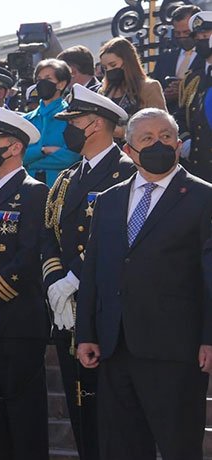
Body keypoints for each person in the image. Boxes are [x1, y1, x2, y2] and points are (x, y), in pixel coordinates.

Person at [77, 108, 212, 459]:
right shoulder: (109, 200)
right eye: (147, 139)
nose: (158, 144)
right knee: (121, 446)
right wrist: (86, 333)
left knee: (178, 446)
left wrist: (209, 338)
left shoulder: (203, 197)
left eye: (166, 137)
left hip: (176, 351)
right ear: (128, 150)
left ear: (179, 144)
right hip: (115, 345)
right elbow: (94, 270)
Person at [41, 85, 136, 460]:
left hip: (106, 307)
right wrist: (54, 283)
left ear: (95, 124)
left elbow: (121, 238)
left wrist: (74, 278)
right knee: (78, 405)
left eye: (74, 121)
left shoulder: (127, 172)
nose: (68, 128)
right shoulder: (67, 178)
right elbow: (48, 234)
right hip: (68, 310)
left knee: (112, 414)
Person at [0, 107, 50, 459]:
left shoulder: (34, 193)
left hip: (17, 319)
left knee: (24, 418)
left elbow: (29, 257)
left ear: (15, 146)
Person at [24, 59, 82, 186]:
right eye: (39, 79)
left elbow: (70, 158)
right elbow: (19, 157)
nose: (42, 83)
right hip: (28, 187)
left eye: (48, 78)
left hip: (60, 187)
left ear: (61, 84)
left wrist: (31, 161)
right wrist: (43, 150)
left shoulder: (72, 118)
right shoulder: (27, 120)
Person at [98, 37, 166, 139]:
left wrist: (122, 131)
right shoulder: (104, 92)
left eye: (113, 65)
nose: (109, 70)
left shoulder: (149, 87)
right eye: (105, 67)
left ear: (127, 62)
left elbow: (160, 123)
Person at [177, 11, 212, 182]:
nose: (200, 41)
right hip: (199, 168)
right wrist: (186, 141)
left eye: (205, 36)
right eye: (197, 38)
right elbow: (181, 115)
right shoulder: (192, 78)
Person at [151, 4, 203, 113]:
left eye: (186, 32)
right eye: (177, 33)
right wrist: (165, 96)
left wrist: (184, 90)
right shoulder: (165, 58)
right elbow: (153, 92)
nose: (182, 37)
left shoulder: (207, 56)